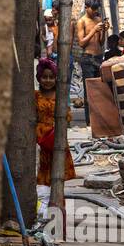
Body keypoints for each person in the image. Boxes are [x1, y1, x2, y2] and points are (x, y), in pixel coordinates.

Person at [35, 57, 75, 187]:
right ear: (38, 78)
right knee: (43, 179)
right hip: (41, 140)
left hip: (57, 138)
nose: (47, 80)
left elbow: (68, 116)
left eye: (51, 77)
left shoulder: (60, 95)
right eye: (44, 77)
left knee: (58, 177)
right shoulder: (35, 95)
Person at [76, 0, 107, 124]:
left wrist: (104, 30)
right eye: (93, 9)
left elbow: (101, 42)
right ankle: (90, 122)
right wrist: (94, 30)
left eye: (96, 9)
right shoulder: (81, 21)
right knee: (89, 90)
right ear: (87, 7)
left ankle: (100, 120)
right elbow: (82, 43)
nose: (95, 12)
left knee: (100, 89)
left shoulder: (98, 19)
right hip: (87, 58)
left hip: (99, 57)